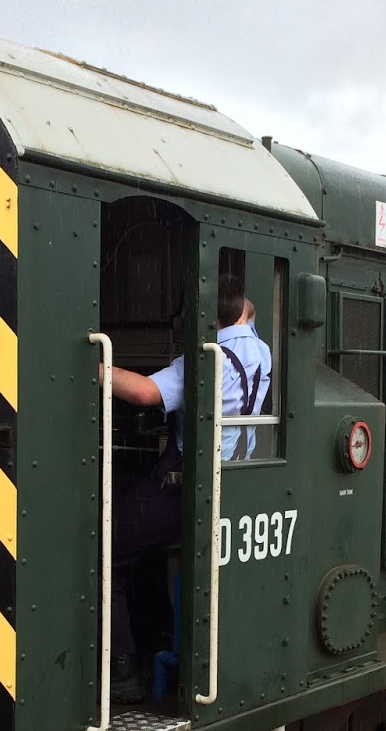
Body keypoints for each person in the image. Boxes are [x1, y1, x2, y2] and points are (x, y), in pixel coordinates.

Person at [104, 275, 270, 703]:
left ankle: (122, 670)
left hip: (185, 491)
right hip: (229, 483)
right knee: (139, 534)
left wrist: (97, 366)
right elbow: (244, 308)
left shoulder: (204, 361)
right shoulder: (259, 351)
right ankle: (155, 638)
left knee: (103, 545)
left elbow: (144, 393)